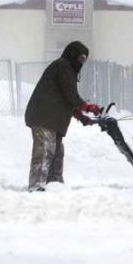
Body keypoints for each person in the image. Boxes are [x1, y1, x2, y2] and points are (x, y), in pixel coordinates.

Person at [25, 41, 99, 192]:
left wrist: (80, 116)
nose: (81, 62)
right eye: (80, 58)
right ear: (73, 55)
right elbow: (70, 94)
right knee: (46, 150)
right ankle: (37, 185)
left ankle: (54, 184)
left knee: (57, 152)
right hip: (43, 116)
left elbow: (66, 99)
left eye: (84, 60)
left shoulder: (68, 69)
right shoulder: (63, 66)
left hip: (52, 119)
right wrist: (87, 107)